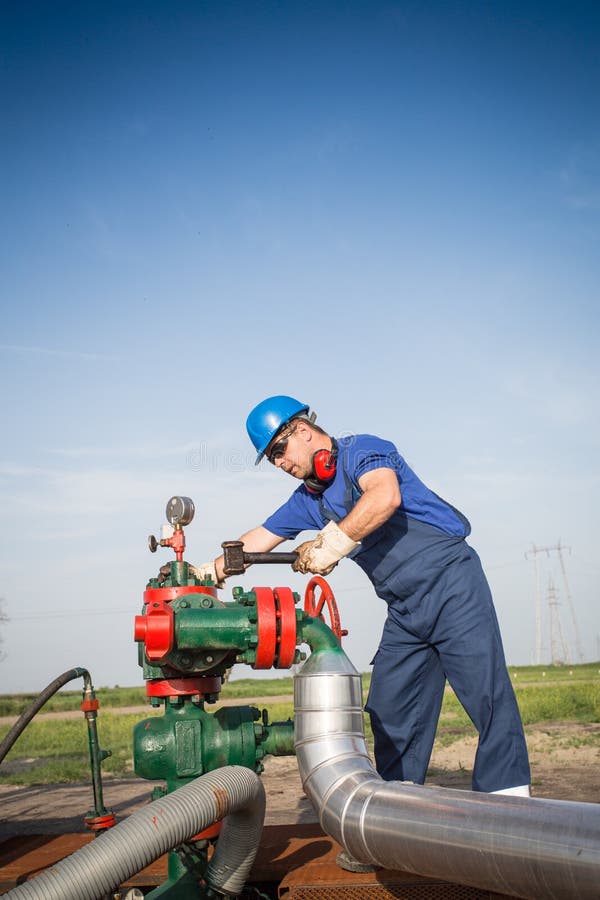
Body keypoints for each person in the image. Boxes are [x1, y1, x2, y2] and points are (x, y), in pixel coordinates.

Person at [192, 395, 531, 798]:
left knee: (486, 695)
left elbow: (384, 496)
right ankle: (400, 805)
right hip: (404, 609)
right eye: (271, 459)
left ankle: (510, 802)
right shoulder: (309, 498)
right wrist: (206, 573)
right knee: (391, 708)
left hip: (451, 584)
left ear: (303, 430)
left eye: (279, 450)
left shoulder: (363, 452)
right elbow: (260, 539)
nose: (279, 463)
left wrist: (333, 543)